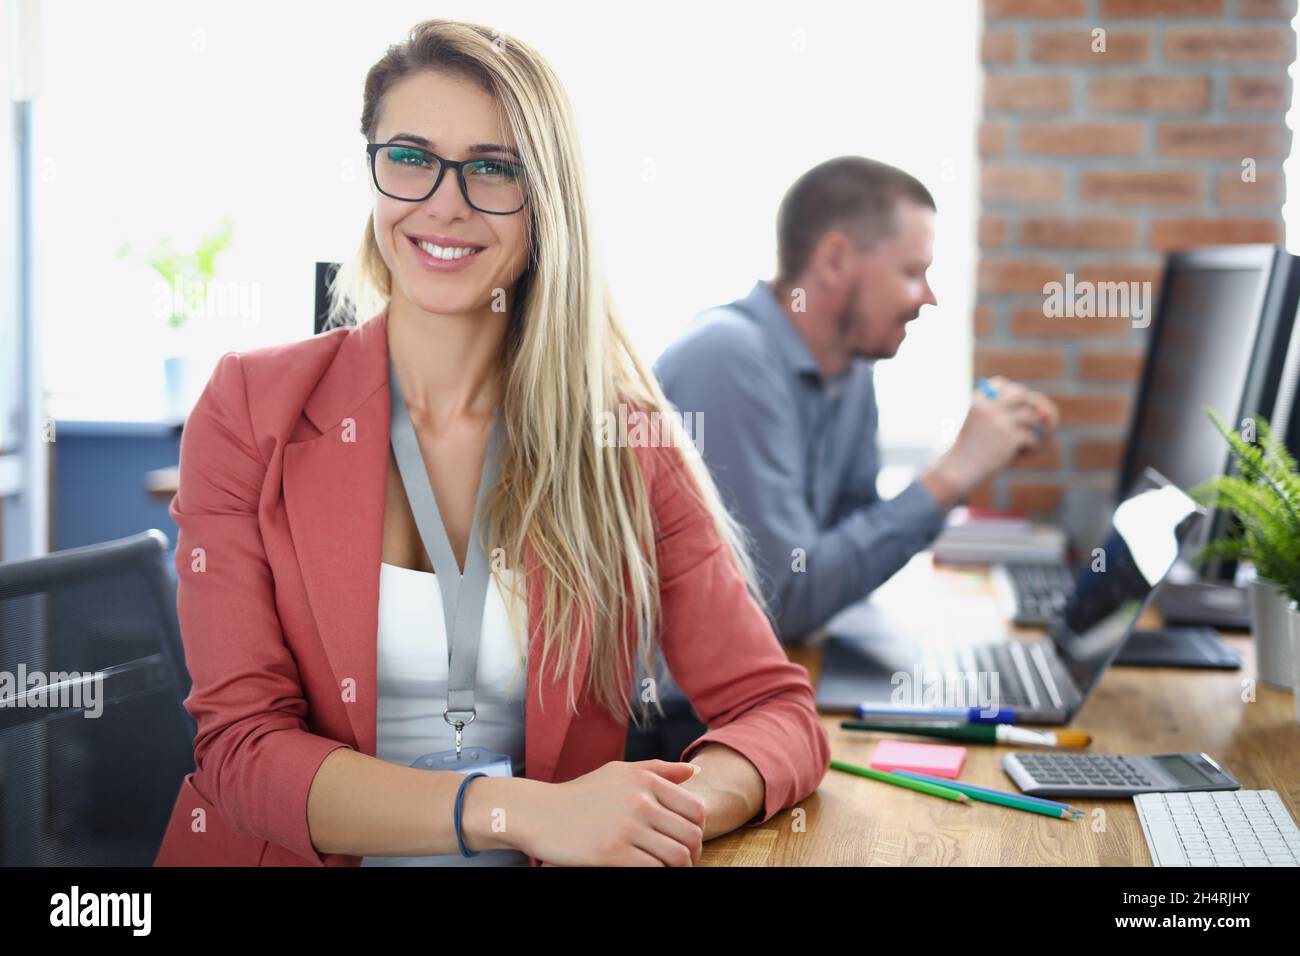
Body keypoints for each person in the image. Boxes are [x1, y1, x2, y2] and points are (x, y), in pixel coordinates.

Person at [153, 18, 828, 869]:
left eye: (492, 168)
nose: (445, 201)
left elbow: (776, 714)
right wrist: (517, 813)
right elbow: (242, 754)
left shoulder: (620, 438)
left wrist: (658, 814)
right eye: (410, 157)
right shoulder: (251, 406)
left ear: (545, 200)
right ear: (374, 172)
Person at [628, 158, 1058, 761]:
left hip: (747, 693)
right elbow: (782, 600)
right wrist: (952, 474)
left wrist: (957, 470)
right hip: (676, 726)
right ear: (833, 260)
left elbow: (843, 541)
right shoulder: (728, 359)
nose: (928, 298)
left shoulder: (848, 370)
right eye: (913, 272)